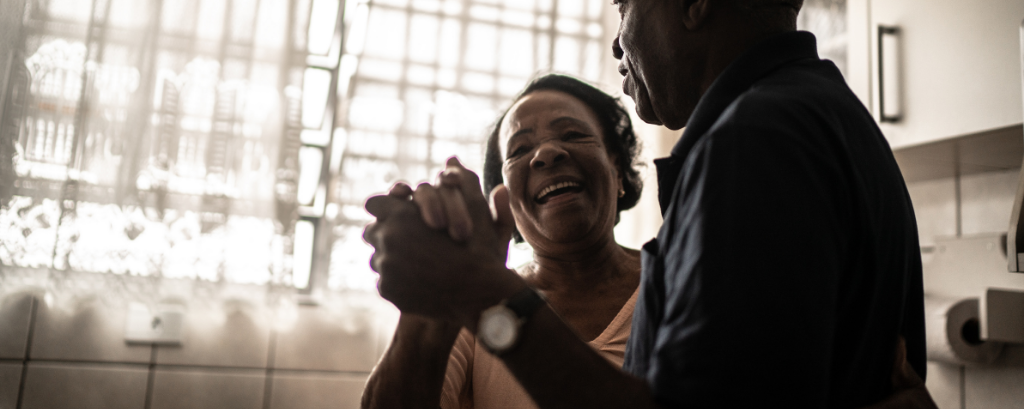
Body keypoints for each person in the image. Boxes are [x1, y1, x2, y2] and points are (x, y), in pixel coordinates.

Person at [362, 0, 936, 407]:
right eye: (521, 149)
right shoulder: (818, 115)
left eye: (622, 4)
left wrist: (480, 289)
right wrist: (448, 292)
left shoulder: (756, 139)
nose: (617, 39)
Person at [361, 74, 645, 409]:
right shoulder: (470, 305)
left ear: (618, 169)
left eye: (573, 134)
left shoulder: (679, 283)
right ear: (504, 200)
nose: (547, 153)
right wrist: (429, 298)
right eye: (520, 149)